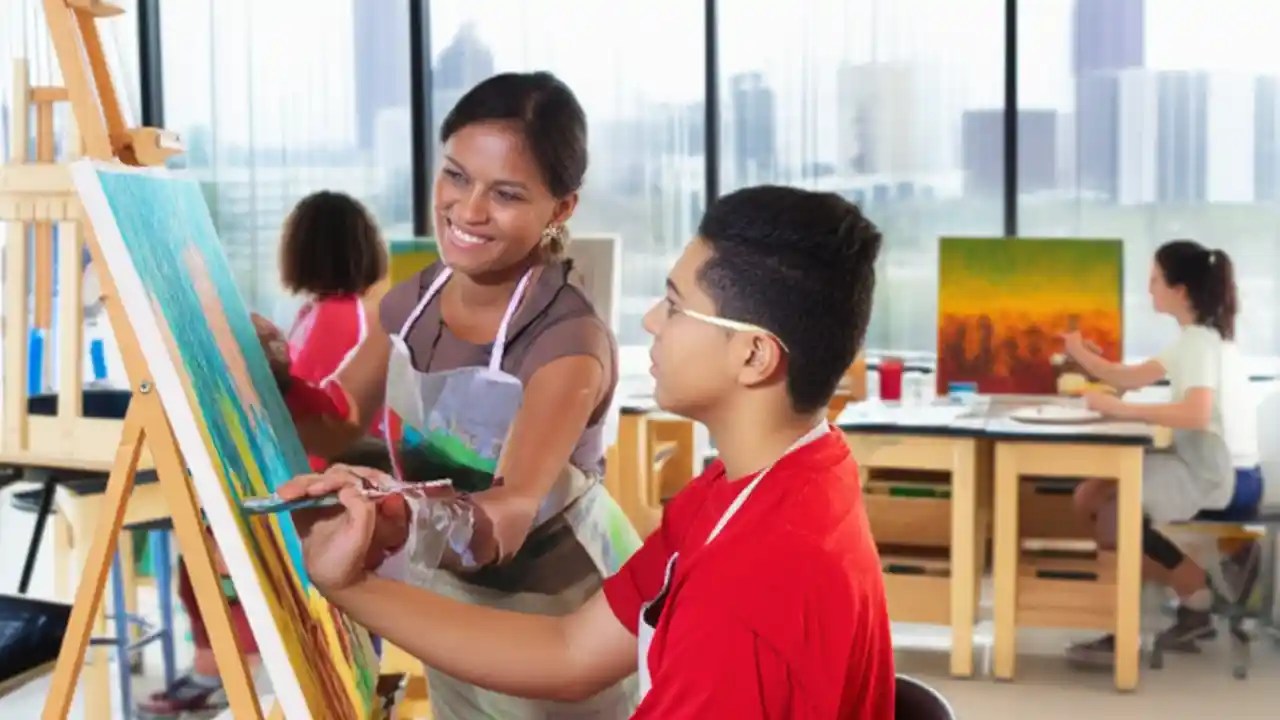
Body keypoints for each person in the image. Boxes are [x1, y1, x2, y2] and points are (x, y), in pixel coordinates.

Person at [279, 184, 897, 719]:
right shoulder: (761, 482)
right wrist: (351, 585)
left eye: (677, 307)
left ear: (755, 355)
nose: (652, 321)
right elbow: (571, 651)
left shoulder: (752, 595)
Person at [253, 71, 643, 719]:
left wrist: (391, 510)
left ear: (561, 208)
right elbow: (336, 419)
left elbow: (507, 516)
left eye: (507, 193)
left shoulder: (568, 341)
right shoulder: (413, 301)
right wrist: (270, 373)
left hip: (554, 620)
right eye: (456, 176)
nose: (467, 210)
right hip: (449, 604)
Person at [137, 191, 389, 719]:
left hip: (316, 474)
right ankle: (220, 664)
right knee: (209, 541)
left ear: (303, 249)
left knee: (217, 542)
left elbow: (312, 414)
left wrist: (256, 359)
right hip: (310, 466)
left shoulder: (337, 316)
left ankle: (219, 666)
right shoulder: (321, 312)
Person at [1061, 240, 1261, 666]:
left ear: (1180, 290)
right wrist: (1079, 353)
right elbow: (1127, 377)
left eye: (1155, 280)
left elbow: (1196, 411)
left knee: (1115, 511)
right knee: (1088, 496)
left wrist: (1120, 408)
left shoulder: (1199, 344)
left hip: (1221, 475)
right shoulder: (1191, 340)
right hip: (1203, 464)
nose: (1149, 289)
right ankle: (1193, 592)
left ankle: (1133, 625)